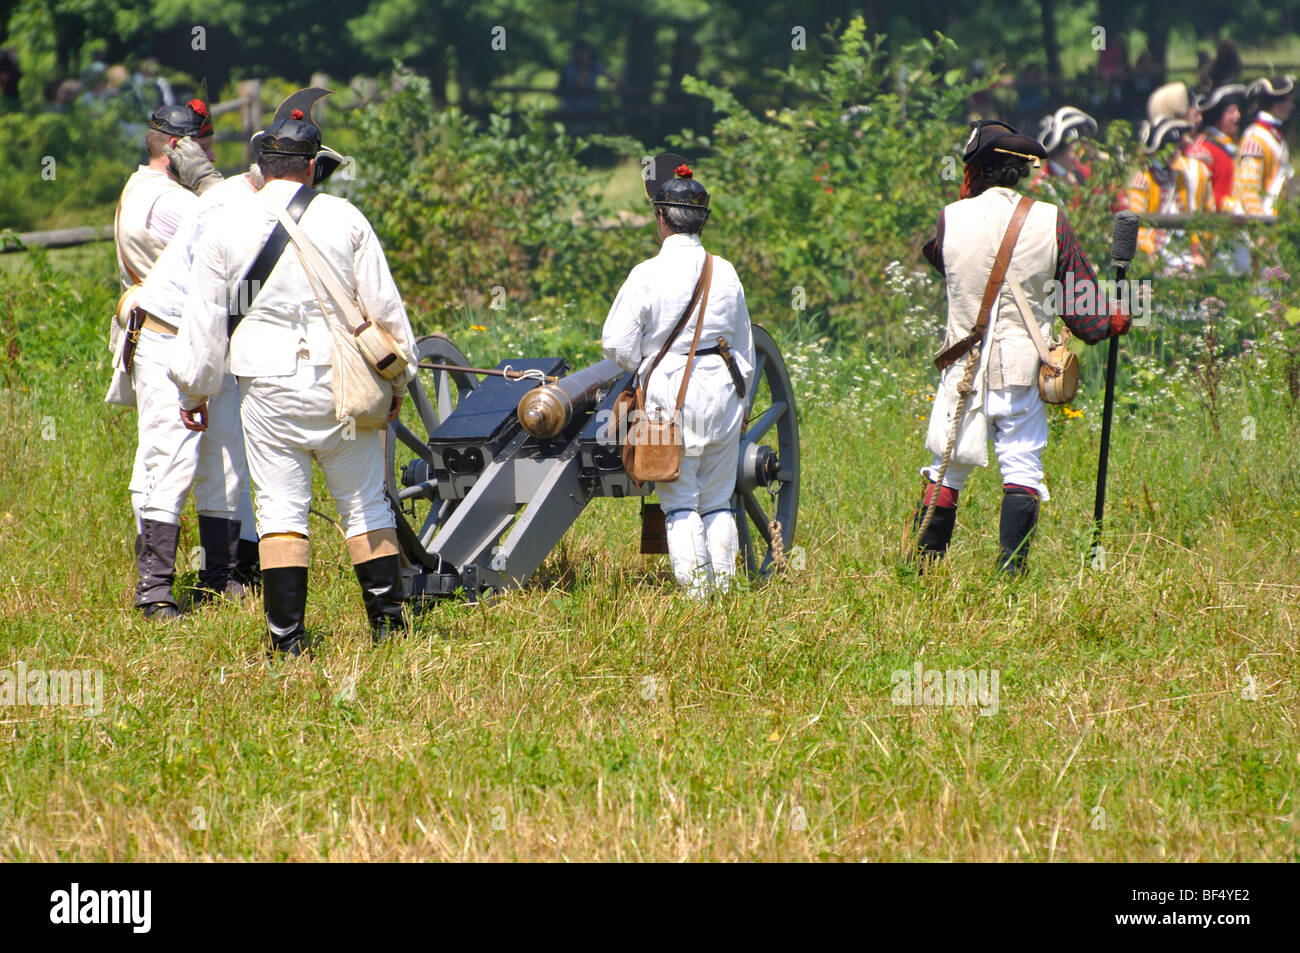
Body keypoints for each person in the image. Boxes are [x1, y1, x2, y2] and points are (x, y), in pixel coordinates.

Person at [169, 110, 418, 656]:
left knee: (280, 510)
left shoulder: (225, 226)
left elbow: (206, 323)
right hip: (343, 383)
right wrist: (399, 383)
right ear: (310, 168)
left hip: (266, 386)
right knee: (364, 506)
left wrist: (194, 393)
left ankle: (288, 642)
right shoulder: (346, 217)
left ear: (262, 165)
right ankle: (388, 629)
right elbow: (386, 314)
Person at [913, 120, 1131, 575]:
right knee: (1021, 466)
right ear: (1019, 171)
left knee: (945, 470)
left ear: (975, 171)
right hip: (1021, 369)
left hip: (960, 367)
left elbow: (939, 256)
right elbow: (1089, 320)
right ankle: (1010, 577)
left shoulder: (950, 219)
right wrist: (1118, 318)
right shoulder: (1050, 220)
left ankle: (920, 574)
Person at [601, 159, 755, 596]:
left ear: (662, 218)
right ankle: (724, 594)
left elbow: (616, 346)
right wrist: (739, 402)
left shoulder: (646, 274)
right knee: (717, 501)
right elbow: (743, 347)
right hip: (723, 397)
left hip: (672, 400)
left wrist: (645, 362)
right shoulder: (725, 272)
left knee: (681, 503)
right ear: (701, 220)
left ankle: (698, 598)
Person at [109, 98, 224, 620]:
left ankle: (170, 573)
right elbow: (232, 224)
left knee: (155, 458)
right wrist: (210, 179)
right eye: (206, 144)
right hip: (171, 334)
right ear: (182, 149)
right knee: (172, 461)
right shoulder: (171, 201)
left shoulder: (139, 186)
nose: (211, 152)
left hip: (148, 327)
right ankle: (156, 588)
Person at [1129, 118, 1209, 267]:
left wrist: (1196, 249)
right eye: (1174, 148)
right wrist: (1148, 252)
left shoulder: (1180, 177)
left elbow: (1188, 216)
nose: (1177, 152)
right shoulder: (1143, 179)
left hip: (1181, 250)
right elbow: (1136, 223)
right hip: (1155, 252)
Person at [1234, 76, 1295, 217]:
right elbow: (1248, 191)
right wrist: (1260, 233)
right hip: (1254, 230)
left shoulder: (1274, 137)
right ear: (1276, 103)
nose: (1292, 106)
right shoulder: (1254, 139)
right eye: (1288, 100)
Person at [1192, 84, 1247, 212]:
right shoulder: (1204, 148)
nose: (1237, 115)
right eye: (1231, 111)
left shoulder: (1232, 145)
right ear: (1216, 115)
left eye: (1237, 110)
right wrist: (1230, 206)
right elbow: (1201, 190)